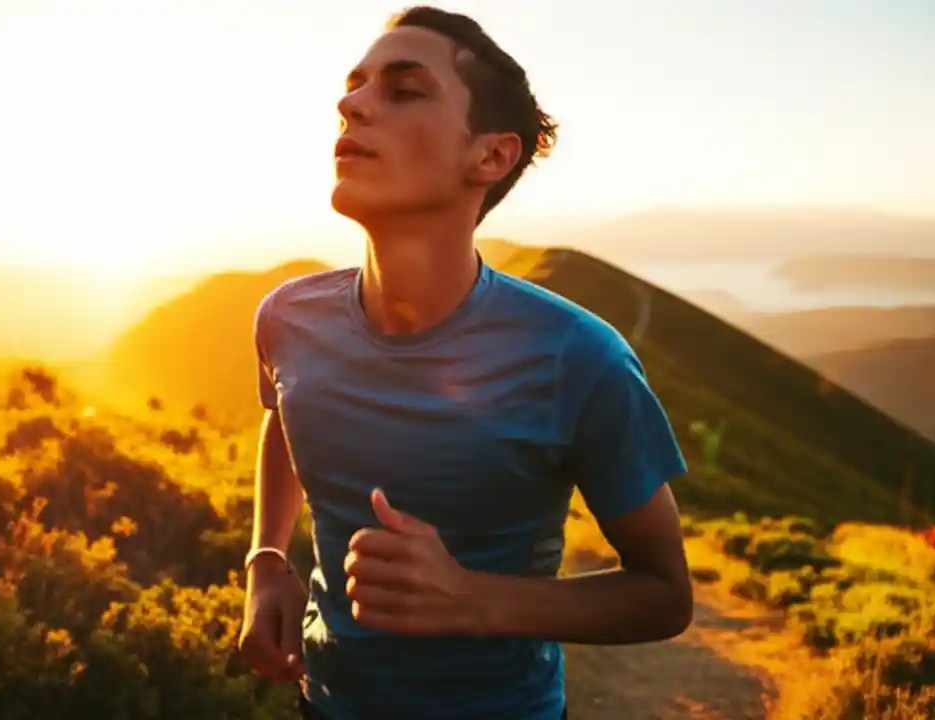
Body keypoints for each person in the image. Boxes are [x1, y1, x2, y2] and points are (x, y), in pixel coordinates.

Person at [237, 6, 693, 719]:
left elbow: (665, 594)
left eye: (404, 89)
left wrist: (473, 599)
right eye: (355, 84)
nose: (349, 103)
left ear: (490, 156)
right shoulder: (287, 319)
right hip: (322, 705)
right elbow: (286, 417)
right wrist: (266, 558)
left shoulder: (581, 359)